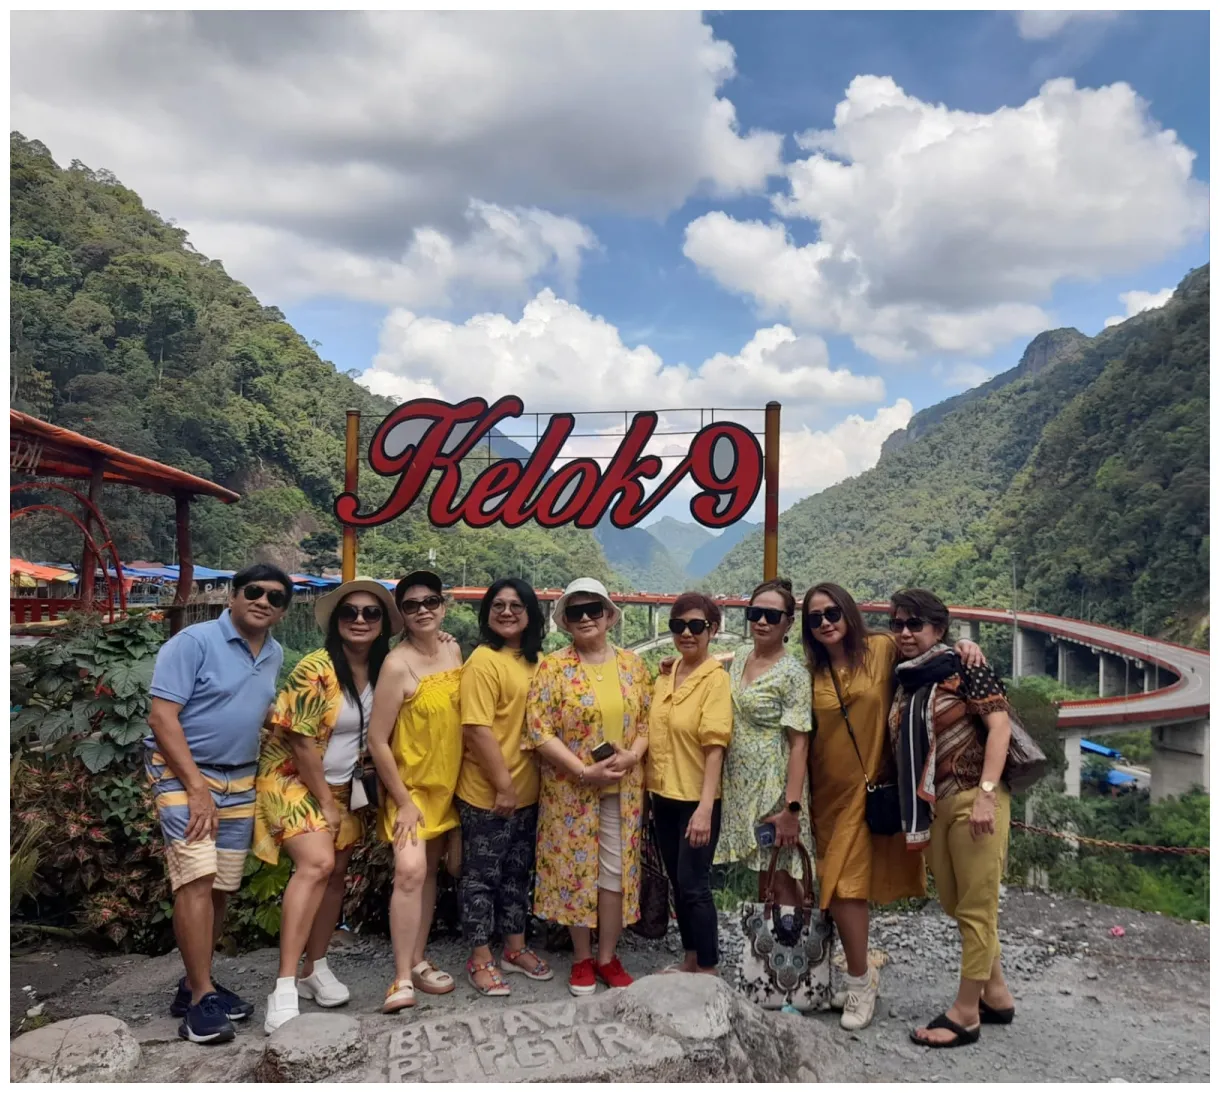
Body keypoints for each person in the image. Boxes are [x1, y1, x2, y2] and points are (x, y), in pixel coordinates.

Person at [802, 582, 985, 1032]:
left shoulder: (882, 650)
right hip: (826, 795)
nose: (825, 623)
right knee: (838, 886)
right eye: (814, 618)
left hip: (871, 793)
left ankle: (861, 981)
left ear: (848, 614)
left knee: (847, 888)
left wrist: (963, 645)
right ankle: (865, 973)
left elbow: (928, 654)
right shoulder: (811, 672)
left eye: (832, 613)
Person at [145, 563, 292, 1044]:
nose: (263, 601)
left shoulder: (274, 653)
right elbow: (162, 716)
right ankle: (201, 1002)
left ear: (281, 611)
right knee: (195, 876)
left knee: (223, 886)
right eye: (254, 591)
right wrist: (195, 786)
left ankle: (192, 984)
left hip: (241, 777)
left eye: (275, 598)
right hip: (186, 775)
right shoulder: (194, 642)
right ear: (234, 595)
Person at [253, 577, 399, 1032]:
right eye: (349, 612)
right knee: (316, 863)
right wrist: (326, 805)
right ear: (336, 622)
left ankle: (315, 967)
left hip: (344, 786)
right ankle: (283, 984)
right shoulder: (316, 668)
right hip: (294, 779)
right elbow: (298, 742)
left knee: (336, 873)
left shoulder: (383, 669)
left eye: (370, 613)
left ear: (382, 625)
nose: (359, 620)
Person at [887, 589, 1015, 1049]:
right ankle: (996, 994)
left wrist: (985, 795)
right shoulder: (904, 678)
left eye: (914, 624)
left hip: (974, 799)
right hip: (935, 805)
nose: (904, 632)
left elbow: (999, 726)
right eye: (898, 623)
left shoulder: (965, 666)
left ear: (938, 630)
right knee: (954, 903)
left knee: (978, 908)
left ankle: (966, 1013)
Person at [524, 578, 653, 996]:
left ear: (609, 616)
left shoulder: (634, 665)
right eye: (575, 612)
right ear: (565, 621)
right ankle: (581, 958)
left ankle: (607, 956)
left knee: (614, 875)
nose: (585, 618)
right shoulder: (553, 668)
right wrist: (583, 772)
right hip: (571, 790)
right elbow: (540, 730)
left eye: (592, 610)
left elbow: (651, 722)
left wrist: (632, 755)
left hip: (624, 790)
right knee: (577, 874)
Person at [365, 570, 465, 1013]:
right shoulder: (395, 664)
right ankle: (401, 978)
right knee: (409, 872)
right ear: (401, 615)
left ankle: (418, 960)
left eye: (430, 602)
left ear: (443, 606)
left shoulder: (453, 648)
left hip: (449, 785)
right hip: (412, 790)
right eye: (411, 604)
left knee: (429, 875)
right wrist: (403, 800)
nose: (423, 609)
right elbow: (376, 740)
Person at [457, 578, 552, 996]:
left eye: (517, 605)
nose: (507, 611)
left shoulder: (535, 661)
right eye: (498, 605)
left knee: (516, 874)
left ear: (531, 614)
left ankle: (515, 947)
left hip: (529, 791)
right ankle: (480, 957)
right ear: (487, 613)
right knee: (482, 878)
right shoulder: (483, 661)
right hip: (489, 792)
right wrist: (504, 787)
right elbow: (476, 729)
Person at [647, 592, 733, 976]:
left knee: (694, 884)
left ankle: (709, 969)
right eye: (678, 625)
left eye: (696, 626)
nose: (686, 633)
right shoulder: (667, 675)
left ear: (712, 630)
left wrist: (705, 809)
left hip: (696, 800)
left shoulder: (715, 681)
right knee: (677, 884)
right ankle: (690, 959)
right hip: (663, 795)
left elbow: (715, 747)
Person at [715, 578, 813, 908]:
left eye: (772, 616)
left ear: (788, 621)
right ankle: (770, 954)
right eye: (755, 613)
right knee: (764, 878)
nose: (761, 621)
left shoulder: (793, 674)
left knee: (781, 879)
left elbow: (800, 744)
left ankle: (795, 953)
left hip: (775, 788)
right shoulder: (742, 656)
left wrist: (791, 809)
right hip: (744, 788)